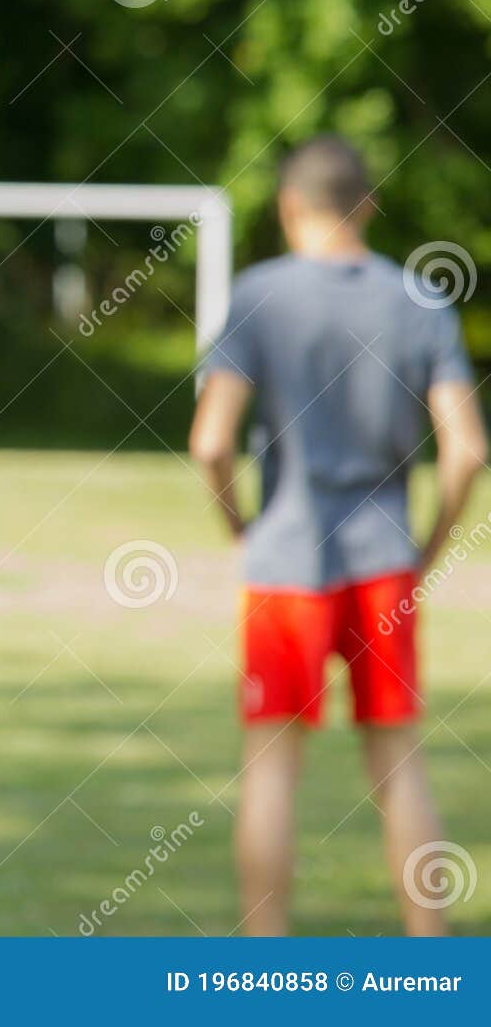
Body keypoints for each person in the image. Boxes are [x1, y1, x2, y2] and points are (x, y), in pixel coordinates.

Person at [189, 133, 486, 936]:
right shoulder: (422, 300)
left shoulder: (258, 296)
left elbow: (210, 441)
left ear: (290, 207)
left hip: (285, 560)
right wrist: (428, 545)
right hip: (387, 556)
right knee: (399, 762)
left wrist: (238, 524)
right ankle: (432, 956)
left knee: (272, 764)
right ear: (370, 206)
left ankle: (265, 957)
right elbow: (468, 449)